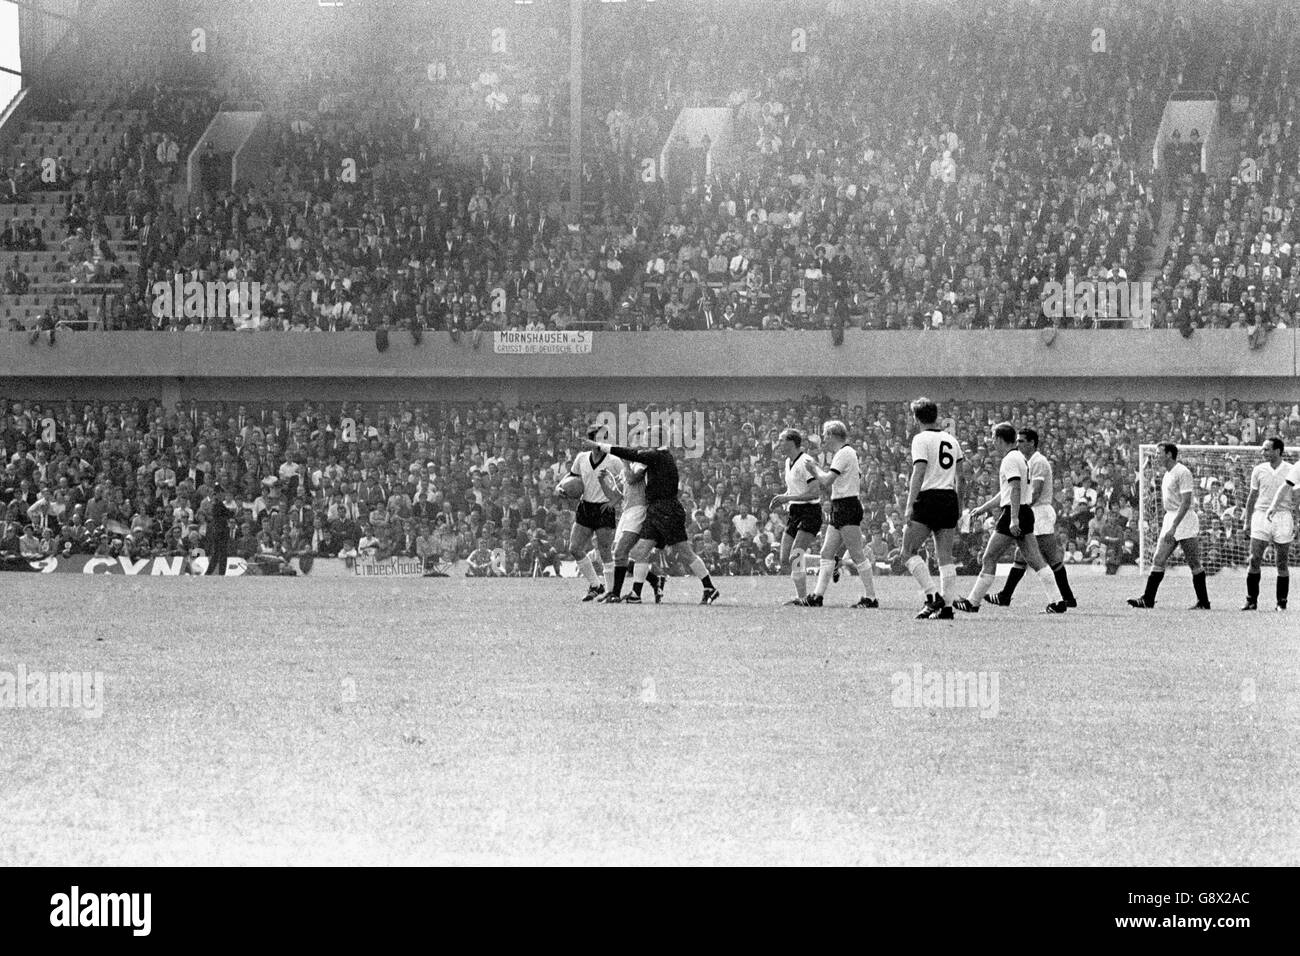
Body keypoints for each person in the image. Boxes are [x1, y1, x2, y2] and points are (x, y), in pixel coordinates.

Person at [578, 436, 719, 605]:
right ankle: (636, 594)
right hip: (655, 510)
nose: (644, 440)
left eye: (647, 437)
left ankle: (709, 587)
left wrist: (599, 445)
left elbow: (628, 454)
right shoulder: (655, 456)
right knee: (639, 552)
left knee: (684, 552)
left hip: (667, 510)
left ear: (655, 439)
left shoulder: (658, 455)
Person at [955, 423, 1067, 614]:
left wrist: (1013, 518)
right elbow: (1008, 491)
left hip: (1014, 513)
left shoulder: (1010, 459)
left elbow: (1015, 488)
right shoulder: (1020, 458)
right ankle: (1057, 602)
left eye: (992, 438)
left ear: (999, 439)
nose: (992, 442)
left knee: (989, 556)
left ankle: (973, 602)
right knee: (1036, 559)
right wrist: (984, 508)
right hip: (1024, 511)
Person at [985, 427, 1078, 609]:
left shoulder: (1039, 462)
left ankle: (1064, 598)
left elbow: (1034, 491)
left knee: (1042, 557)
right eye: (1017, 441)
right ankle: (1065, 598)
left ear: (1032, 443)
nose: (1018, 444)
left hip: (1039, 512)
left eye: (1021, 441)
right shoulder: (1026, 460)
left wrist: (1019, 510)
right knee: (1027, 556)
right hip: (1033, 512)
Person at [800, 420, 878, 608]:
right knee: (826, 552)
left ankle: (871, 598)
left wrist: (814, 468)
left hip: (847, 505)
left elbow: (826, 480)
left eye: (826, 435)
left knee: (857, 553)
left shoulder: (845, 453)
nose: (824, 439)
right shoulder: (843, 453)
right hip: (841, 505)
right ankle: (817, 596)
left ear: (833, 435)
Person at [900, 397, 963, 619]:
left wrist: (909, 505)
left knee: (907, 552)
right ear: (935, 415)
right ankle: (947, 608)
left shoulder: (920, 439)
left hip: (928, 498)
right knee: (945, 556)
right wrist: (960, 507)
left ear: (916, 418)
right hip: (949, 498)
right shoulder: (951, 440)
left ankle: (932, 596)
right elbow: (960, 478)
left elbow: (919, 472)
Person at [1129, 441, 1211, 610]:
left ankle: (1204, 602)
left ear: (1168, 454)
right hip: (1171, 517)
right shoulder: (1167, 473)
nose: (1156, 456)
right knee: (1158, 558)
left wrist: (1174, 526)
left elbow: (1186, 502)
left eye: (1159, 453)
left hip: (1184, 519)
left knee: (1193, 562)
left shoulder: (1182, 472)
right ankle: (1147, 599)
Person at [562, 429, 623, 601]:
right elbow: (572, 477)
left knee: (604, 551)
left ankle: (611, 592)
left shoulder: (614, 460)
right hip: (586, 507)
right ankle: (596, 585)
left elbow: (625, 483)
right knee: (574, 548)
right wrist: (561, 486)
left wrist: (613, 502)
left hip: (604, 509)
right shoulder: (581, 458)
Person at [768, 427, 824, 606]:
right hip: (795, 512)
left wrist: (788, 497)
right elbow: (795, 490)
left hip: (810, 512)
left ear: (792, 442)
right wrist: (782, 497)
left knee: (796, 555)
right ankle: (825, 562)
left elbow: (815, 492)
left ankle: (803, 597)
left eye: (782, 440)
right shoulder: (787, 462)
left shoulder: (806, 461)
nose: (779, 443)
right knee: (785, 559)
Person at [595, 460, 664, 603]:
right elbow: (615, 496)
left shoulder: (640, 465)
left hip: (639, 510)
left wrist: (625, 462)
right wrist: (601, 481)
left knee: (621, 552)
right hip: (626, 513)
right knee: (619, 554)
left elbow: (632, 479)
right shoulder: (626, 470)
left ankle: (615, 593)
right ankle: (654, 579)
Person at [1253, 436, 1295, 610]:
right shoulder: (1258, 470)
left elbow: (1297, 498)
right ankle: (1251, 600)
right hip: (1261, 514)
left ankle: (1281, 602)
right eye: (1263, 449)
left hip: (1283, 516)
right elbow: (1251, 496)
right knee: (1254, 558)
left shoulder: (1291, 470)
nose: (1263, 452)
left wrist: (1297, 521)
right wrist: (1248, 521)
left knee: (1281, 562)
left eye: (1266, 449)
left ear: (1277, 451)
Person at [204, 486, 234, 576]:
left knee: (217, 553)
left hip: (218, 531)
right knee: (222, 554)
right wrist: (229, 512)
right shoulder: (218, 504)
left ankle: (210, 572)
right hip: (221, 531)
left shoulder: (217, 503)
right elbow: (229, 514)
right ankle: (219, 573)